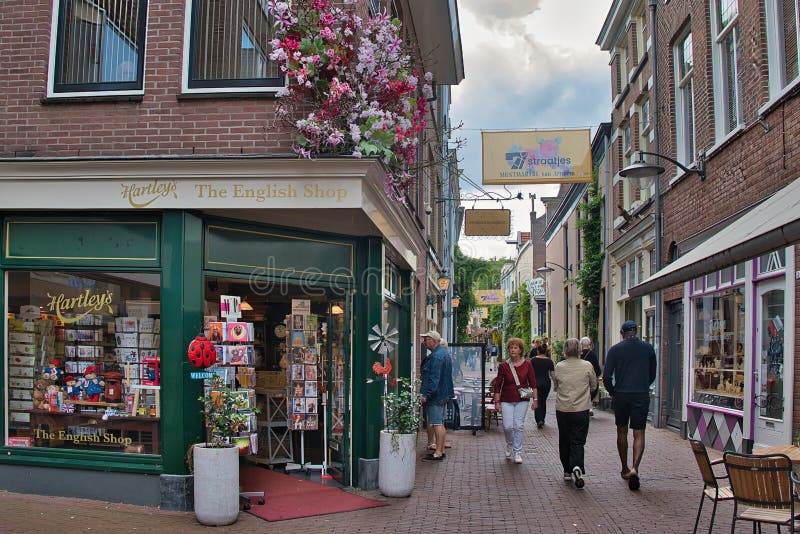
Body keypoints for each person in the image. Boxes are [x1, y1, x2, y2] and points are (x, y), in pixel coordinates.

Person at [602, 320, 657, 491]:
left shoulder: (615, 350)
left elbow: (606, 376)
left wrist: (613, 391)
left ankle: (625, 468)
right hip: (640, 393)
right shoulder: (647, 348)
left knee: (622, 430)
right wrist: (643, 384)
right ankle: (635, 468)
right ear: (636, 331)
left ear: (622, 332)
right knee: (639, 432)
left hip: (622, 395)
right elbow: (652, 373)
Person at [553, 338, 597, 489]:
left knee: (564, 438)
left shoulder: (559, 366)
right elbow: (593, 385)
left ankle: (567, 469)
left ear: (565, 350)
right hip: (581, 409)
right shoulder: (587, 365)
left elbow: (556, 385)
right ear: (579, 349)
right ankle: (578, 466)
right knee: (578, 440)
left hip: (563, 409)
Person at [492, 338, 537, 464]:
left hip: (522, 399)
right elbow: (498, 384)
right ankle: (509, 443)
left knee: (518, 425)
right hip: (506, 398)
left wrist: (535, 399)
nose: (513, 350)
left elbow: (533, 382)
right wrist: (497, 401)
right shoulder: (504, 366)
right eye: (511, 347)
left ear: (521, 350)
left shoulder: (528, 364)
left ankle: (517, 451)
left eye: (515, 347)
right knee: (507, 426)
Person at [419, 331, 454, 461]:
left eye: (426, 339)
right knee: (440, 422)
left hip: (436, 395)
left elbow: (434, 379)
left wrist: (426, 395)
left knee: (437, 423)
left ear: (434, 341)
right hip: (443, 393)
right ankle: (441, 450)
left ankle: (438, 453)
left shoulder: (436, 356)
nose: (424, 342)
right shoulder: (443, 353)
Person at [531, 343, 554, 428]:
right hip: (546, 383)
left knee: (536, 400)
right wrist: (556, 384)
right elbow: (552, 374)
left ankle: (539, 420)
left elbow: (529, 372)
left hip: (535, 383)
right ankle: (542, 419)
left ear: (538, 351)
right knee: (543, 401)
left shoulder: (533, 360)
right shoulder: (549, 361)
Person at [580, 337, 602, 416]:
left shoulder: (579, 354)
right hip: (591, 375)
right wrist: (597, 375)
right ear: (589, 344)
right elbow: (596, 366)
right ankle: (589, 407)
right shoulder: (592, 354)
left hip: (581, 376)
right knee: (591, 391)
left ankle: (583, 407)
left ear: (581, 344)